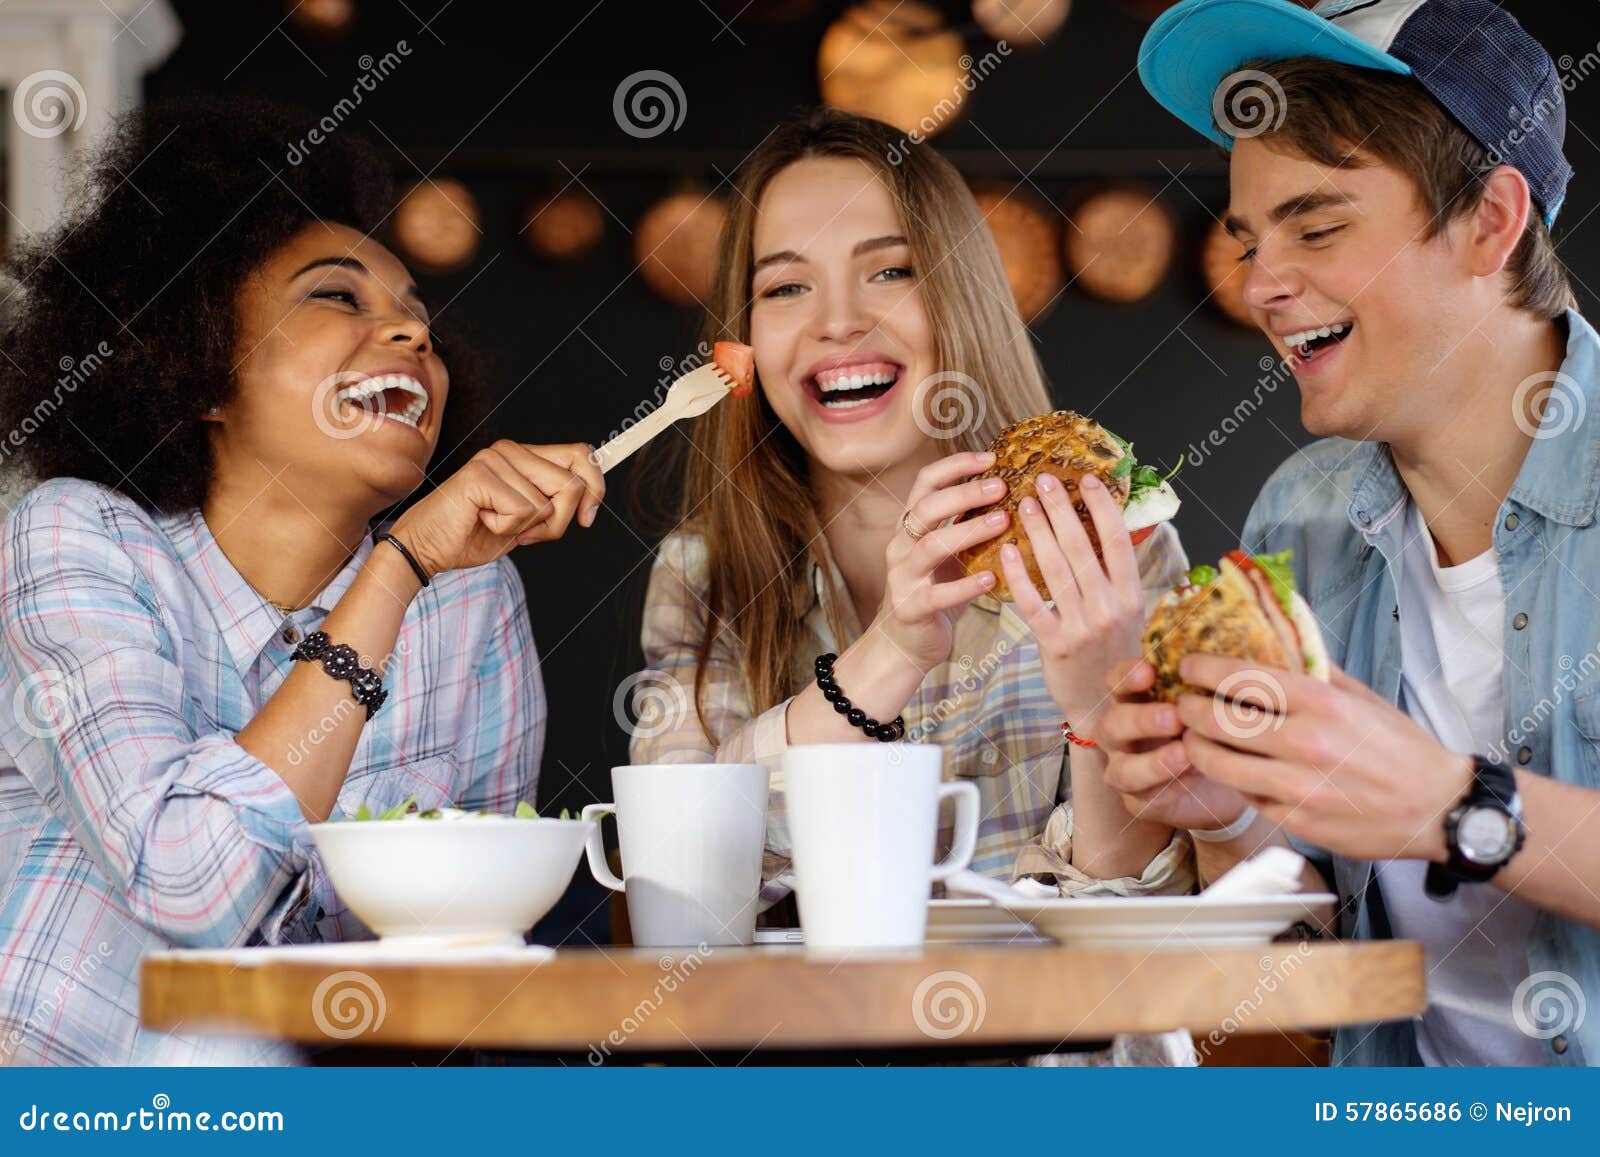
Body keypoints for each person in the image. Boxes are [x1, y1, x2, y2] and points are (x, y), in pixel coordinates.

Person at [0, 97, 603, 1065]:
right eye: (338, 297)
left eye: (418, 315)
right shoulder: (77, 535)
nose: (409, 335)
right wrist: (396, 569)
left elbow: (468, 954)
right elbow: (198, 889)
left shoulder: (469, 598)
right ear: (193, 362)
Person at [626, 108, 1196, 1065]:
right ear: (747, 341)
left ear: (962, 299)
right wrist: (887, 653)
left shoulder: (1114, 543)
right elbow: (684, 881)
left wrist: (1102, 700)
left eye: (892, 271)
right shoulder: (703, 571)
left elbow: (1142, 929)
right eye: (786, 286)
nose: (838, 320)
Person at [1108, 0, 1596, 1065]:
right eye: (1248, 237)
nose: (1261, 284)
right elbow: (1306, 984)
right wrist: (1227, 820)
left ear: (1490, 222)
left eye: (1317, 225)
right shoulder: (1303, 512)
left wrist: (1458, 803)